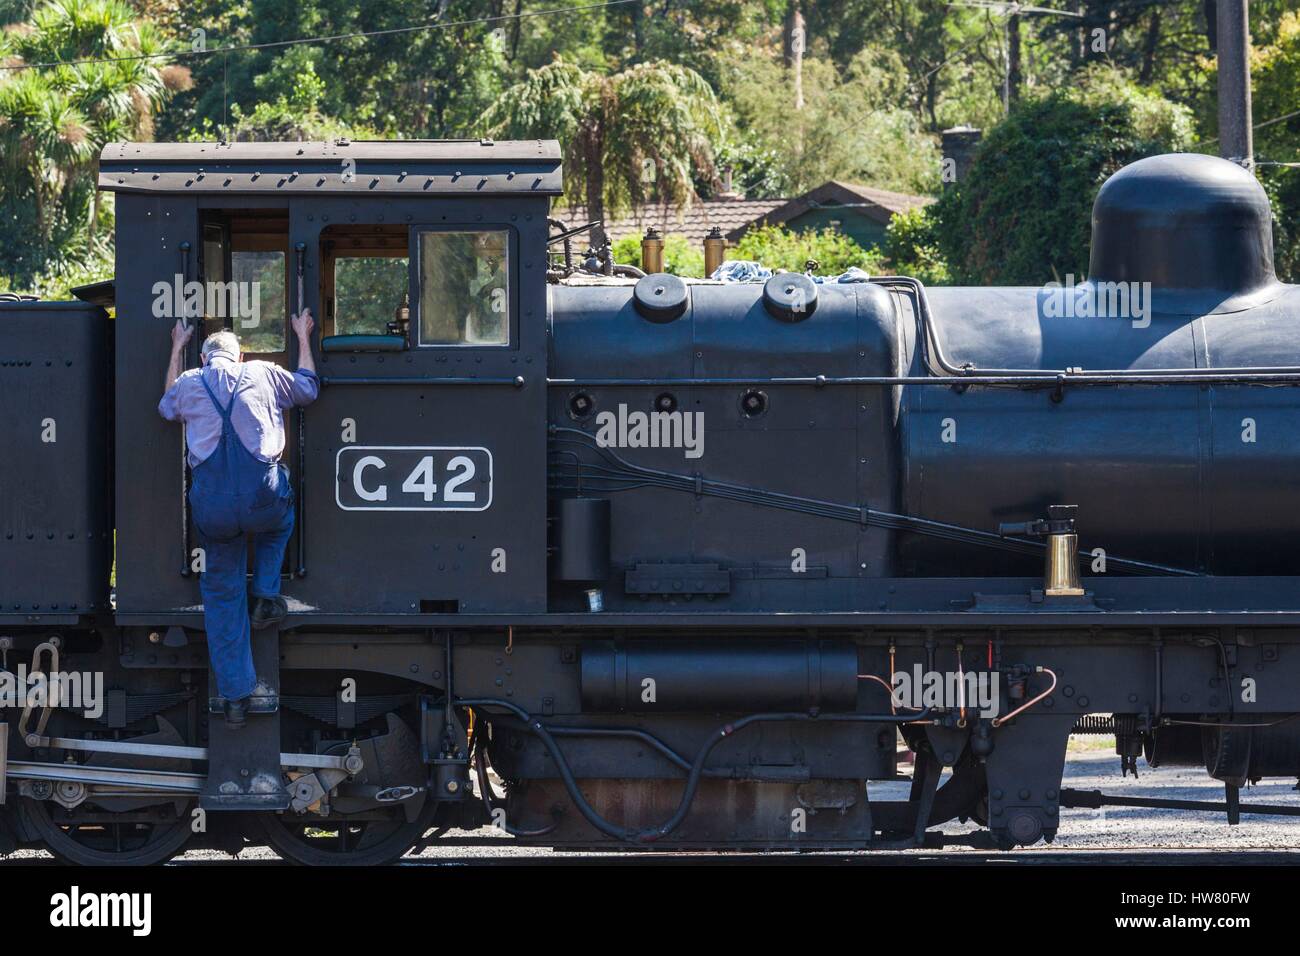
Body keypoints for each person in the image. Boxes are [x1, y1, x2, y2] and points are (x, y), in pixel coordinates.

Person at [159, 311, 318, 727]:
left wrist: (176, 347)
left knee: (222, 595)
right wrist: (302, 336)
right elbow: (308, 390)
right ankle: (266, 594)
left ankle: (234, 698)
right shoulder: (264, 372)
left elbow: (165, 406)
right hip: (263, 500)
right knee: (280, 519)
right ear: (240, 355)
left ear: (205, 357)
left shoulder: (190, 383)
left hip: (213, 511)